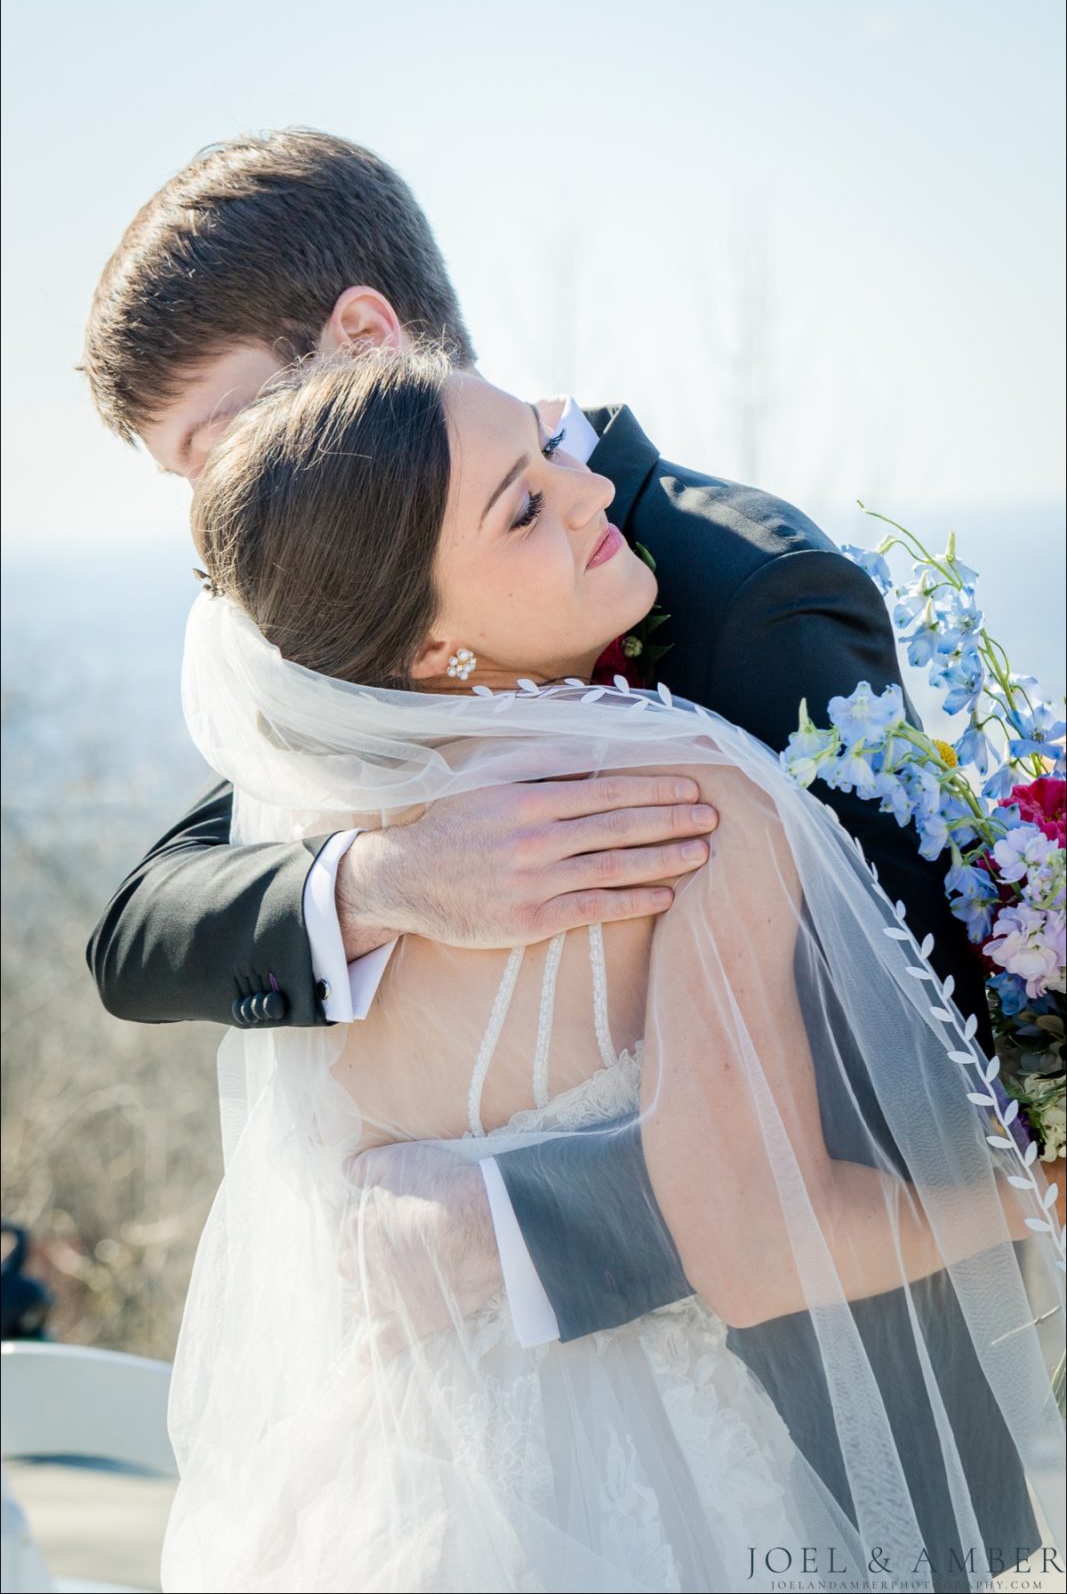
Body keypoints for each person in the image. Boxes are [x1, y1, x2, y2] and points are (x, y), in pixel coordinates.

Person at [82, 131, 1046, 1584]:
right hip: (446, 1472)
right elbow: (146, 926)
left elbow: (927, 1036)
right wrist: (379, 884)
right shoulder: (320, 644)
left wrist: (514, 1221)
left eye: (215, 441)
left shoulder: (752, 603)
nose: (215, 525)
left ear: (359, 337)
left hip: (806, 1456)